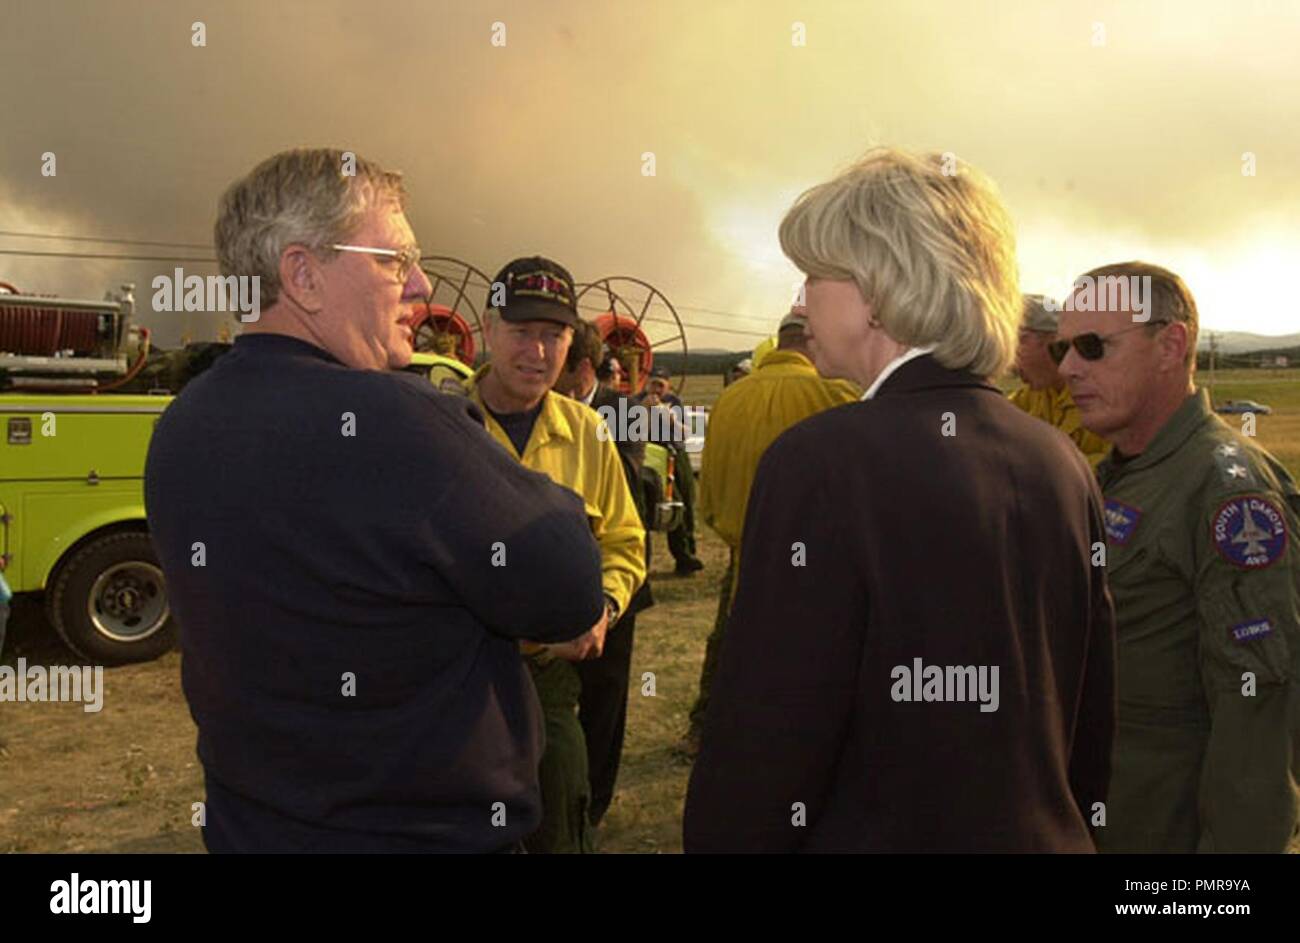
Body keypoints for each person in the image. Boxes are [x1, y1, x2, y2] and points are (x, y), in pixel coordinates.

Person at [144, 150, 607, 853]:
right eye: (395, 260)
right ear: (302, 275)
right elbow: (570, 588)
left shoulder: (183, 423)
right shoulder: (398, 421)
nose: (420, 284)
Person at [683, 147, 1116, 853]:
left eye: (814, 275)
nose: (799, 302)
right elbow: (1086, 725)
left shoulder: (818, 462)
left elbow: (767, 740)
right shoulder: (1059, 460)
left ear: (879, 290)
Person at [1058, 260, 1300, 853]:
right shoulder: (1117, 474)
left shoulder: (1226, 491)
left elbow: (1258, 706)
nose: (1067, 368)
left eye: (1092, 347)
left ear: (1171, 346)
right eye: (1063, 348)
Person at [464, 256, 646, 853]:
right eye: (522, 332)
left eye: (554, 336)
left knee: (560, 829)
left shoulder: (589, 433)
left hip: (551, 686)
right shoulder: (444, 430)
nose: (538, 352)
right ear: (488, 328)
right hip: (458, 689)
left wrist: (605, 612)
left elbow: (624, 541)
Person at [682, 308, 859, 754]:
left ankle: (710, 728)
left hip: (743, 550)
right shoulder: (835, 396)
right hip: (812, 565)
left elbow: (709, 497)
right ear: (814, 341)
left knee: (732, 641)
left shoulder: (729, 400)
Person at [553, 319, 654, 826]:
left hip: (616, 583)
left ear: (584, 370)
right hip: (556, 586)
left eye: (560, 371)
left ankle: (594, 802)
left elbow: (631, 486)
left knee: (605, 700)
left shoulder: (625, 413)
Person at [1009, 294, 1109, 468]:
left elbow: (1121, 467)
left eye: (1017, 342)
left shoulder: (1105, 395)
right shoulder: (1030, 399)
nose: (1010, 358)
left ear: (1054, 342)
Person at [637, 366, 703, 574]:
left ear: (668, 386)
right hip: (651, 455)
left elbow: (686, 432)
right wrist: (643, 411)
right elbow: (631, 431)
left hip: (675, 452)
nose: (656, 389)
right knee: (658, 504)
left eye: (660, 385)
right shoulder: (638, 401)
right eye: (653, 383)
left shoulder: (674, 403)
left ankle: (686, 556)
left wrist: (670, 418)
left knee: (685, 504)